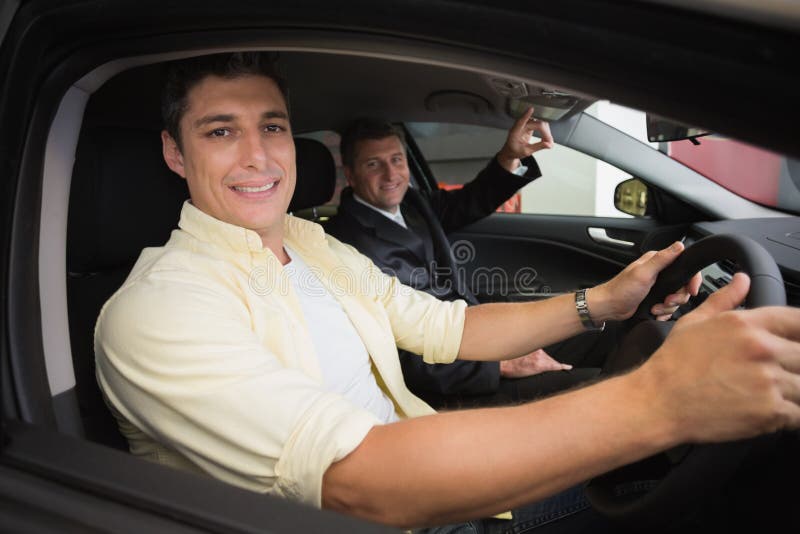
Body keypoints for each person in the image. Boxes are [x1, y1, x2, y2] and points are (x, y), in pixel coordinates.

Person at [94, 52, 800, 533]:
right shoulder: (156, 311)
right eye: (221, 131)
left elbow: (448, 327)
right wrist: (662, 400)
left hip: (437, 482)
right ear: (174, 153)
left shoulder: (313, 245)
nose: (258, 155)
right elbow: (357, 480)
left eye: (272, 127)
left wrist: (604, 303)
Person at [328, 116, 602, 408]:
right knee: (596, 386)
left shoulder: (410, 203)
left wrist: (509, 157)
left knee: (600, 331)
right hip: (450, 378)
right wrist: (498, 366)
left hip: (478, 332)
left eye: (396, 160)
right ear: (351, 174)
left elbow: (467, 202)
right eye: (374, 164)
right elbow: (394, 351)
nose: (390, 174)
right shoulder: (341, 245)